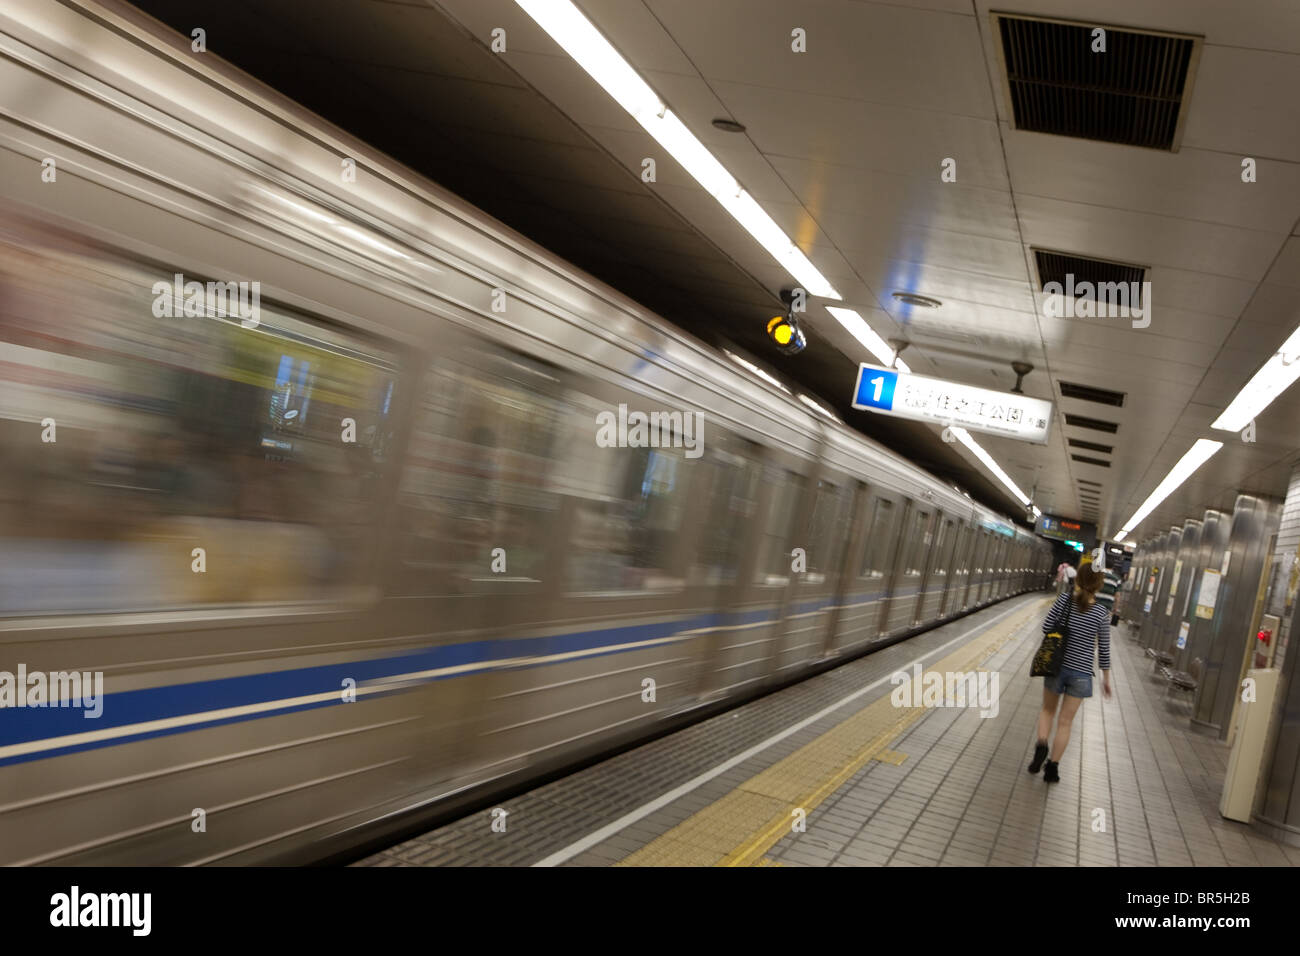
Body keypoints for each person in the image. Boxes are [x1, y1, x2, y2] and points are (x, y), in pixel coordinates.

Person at [1028, 557, 1112, 783]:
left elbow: (1046, 628)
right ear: (1099, 584)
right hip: (1082, 674)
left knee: (1047, 711)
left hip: (1057, 666)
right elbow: (1104, 650)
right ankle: (1052, 768)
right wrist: (1106, 679)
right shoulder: (1102, 614)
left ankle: (1042, 744)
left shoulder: (1064, 600)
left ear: (1078, 579)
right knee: (1066, 723)